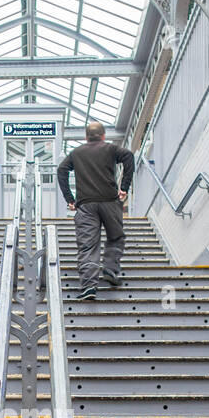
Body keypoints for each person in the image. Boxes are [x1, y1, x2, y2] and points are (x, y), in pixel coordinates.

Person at [56, 122, 135, 300]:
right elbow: (129, 157)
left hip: (85, 206)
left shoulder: (76, 153)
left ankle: (89, 287)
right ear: (103, 136)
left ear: (86, 137)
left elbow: (61, 170)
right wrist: (124, 187)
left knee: (88, 245)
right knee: (116, 237)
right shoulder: (111, 149)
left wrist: (70, 199)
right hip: (110, 202)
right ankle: (110, 269)